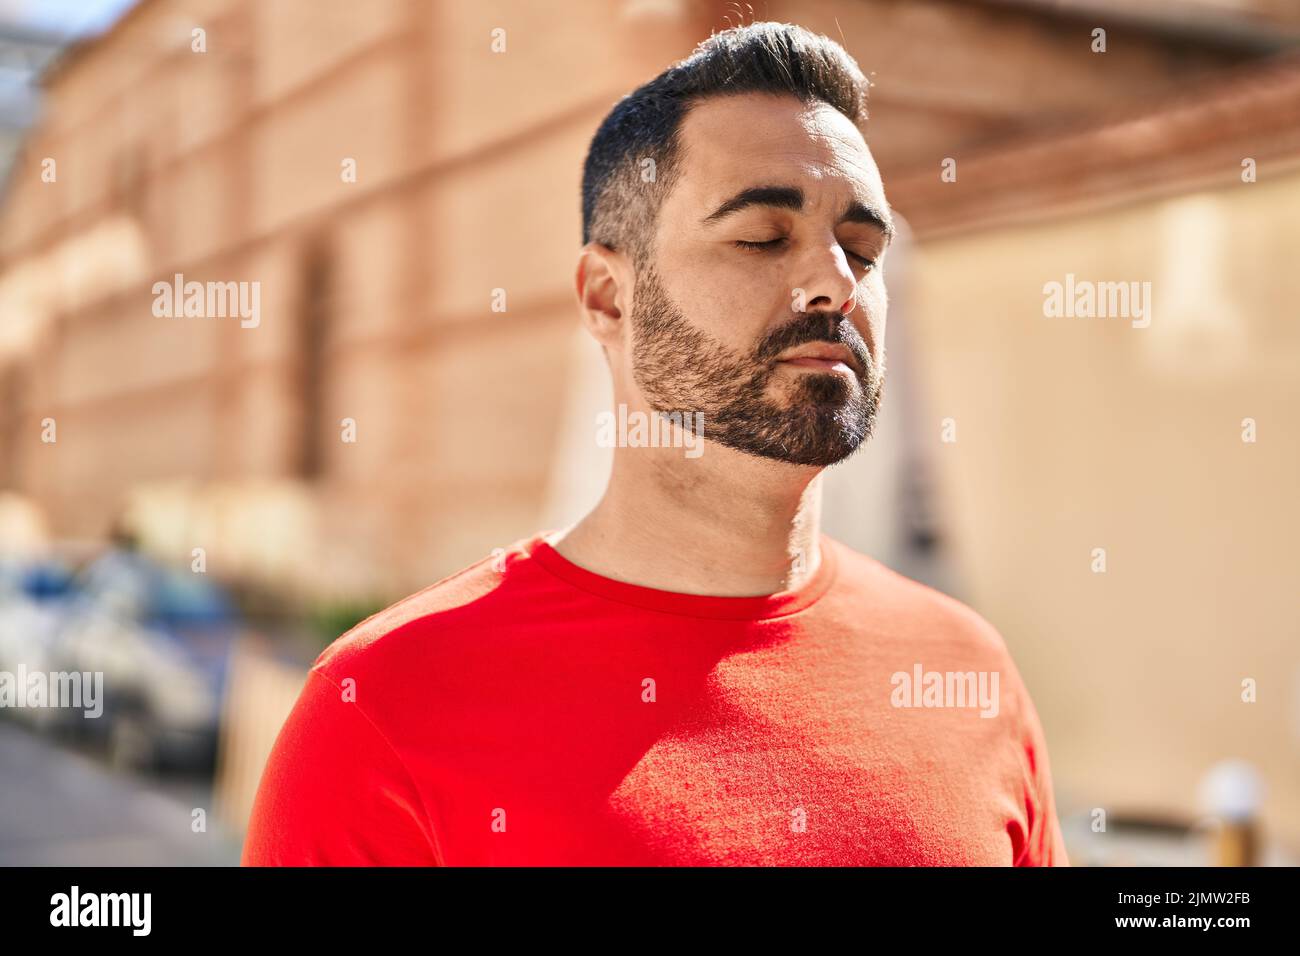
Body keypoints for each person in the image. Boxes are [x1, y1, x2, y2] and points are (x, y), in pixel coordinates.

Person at [242, 21, 1069, 866]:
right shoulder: (384, 708)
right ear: (607, 297)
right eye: (761, 237)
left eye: (862, 249)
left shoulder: (967, 671)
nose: (835, 283)